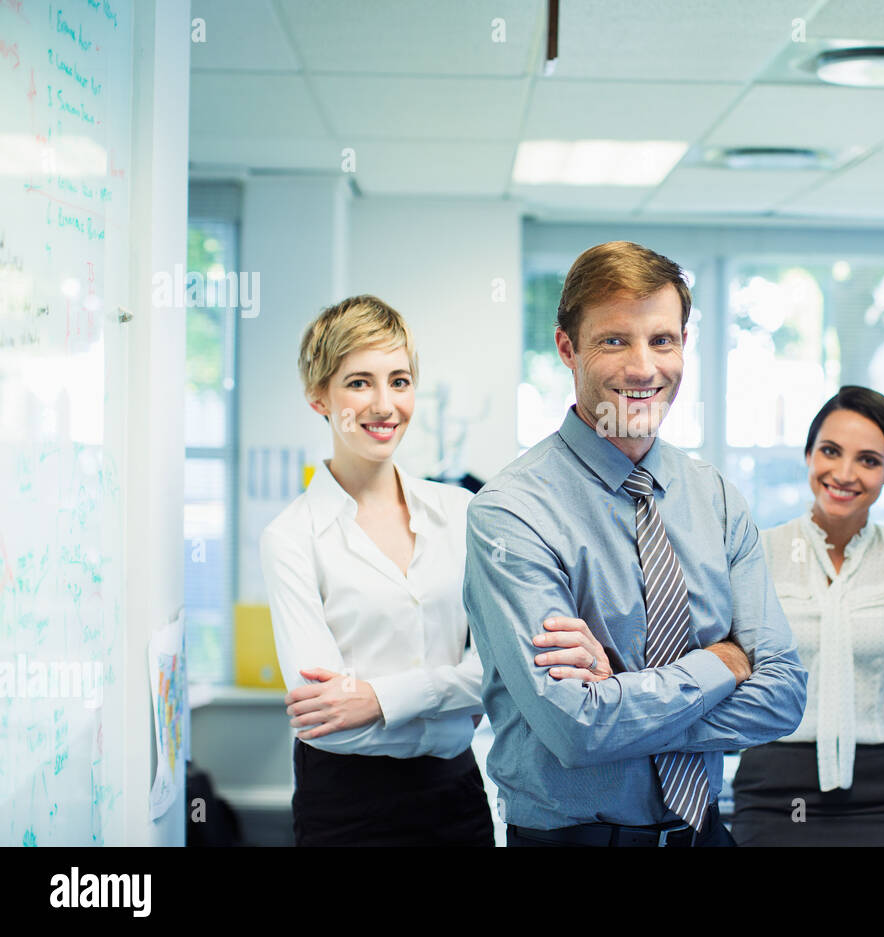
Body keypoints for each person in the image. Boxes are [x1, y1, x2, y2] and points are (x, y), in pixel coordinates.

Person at [462, 241, 808, 847]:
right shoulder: (510, 514)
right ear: (567, 347)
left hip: (704, 832)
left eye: (663, 340)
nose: (644, 368)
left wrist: (621, 696)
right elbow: (575, 731)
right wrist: (723, 661)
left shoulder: (716, 499)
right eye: (614, 340)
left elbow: (782, 698)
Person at [260, 295, 493, 846]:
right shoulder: (291, 538)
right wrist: (451, 695)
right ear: (319, 396)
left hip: (456, 792)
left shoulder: (461, 514)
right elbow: (323, 717)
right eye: (360, 382)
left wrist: (378, 699)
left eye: (400, 380)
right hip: (345, 807)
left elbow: (501, 672)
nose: (385, 404)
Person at [729, 386, 884, 846]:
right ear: (808, 455)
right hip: (774, 783)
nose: (844, 473)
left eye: (868, 460)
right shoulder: (758, 552)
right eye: (830, 451)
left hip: (881, 789)